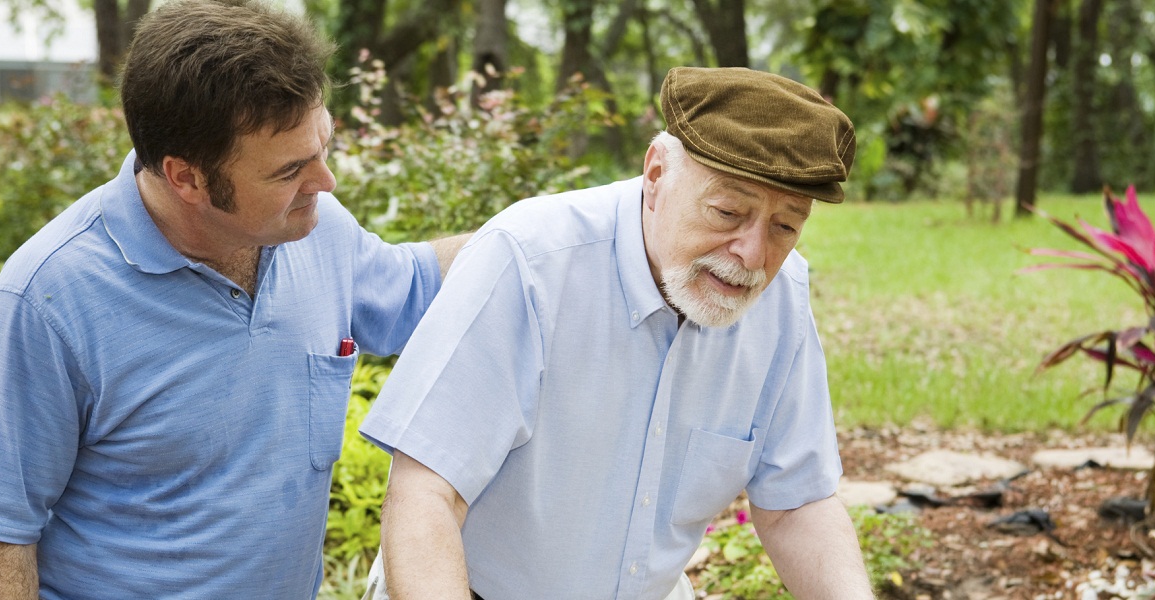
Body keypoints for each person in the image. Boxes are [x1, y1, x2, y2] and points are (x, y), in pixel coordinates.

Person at [0, 1, 468, 598]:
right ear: (186, 177)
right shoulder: (50, 298)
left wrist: (548, 239)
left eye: (324, 147)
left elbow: (419, 286)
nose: (326, 182)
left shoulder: (317, 228)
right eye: (291, 169)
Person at [359, 66, 875, 600]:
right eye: (727, 211)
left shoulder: (782, 295)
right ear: (656, 175)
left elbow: (796, 505)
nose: (752, 254)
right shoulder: (529, 261)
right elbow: (425, 493)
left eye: (785, 226)